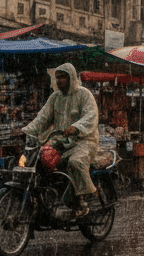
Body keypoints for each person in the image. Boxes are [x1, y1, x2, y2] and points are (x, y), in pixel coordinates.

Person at [22, 63, 99, 218]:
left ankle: (83, 199)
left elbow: (91, 115)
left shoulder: (84, 94)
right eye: (57, 77)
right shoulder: (55, 97)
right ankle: (47, 198)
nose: (59, 80)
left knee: (74, 162)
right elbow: (42, 118)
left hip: (84, 141)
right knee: (41, 160)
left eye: (63, 77)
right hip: (59, 141)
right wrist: (25, 131)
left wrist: (76, 127)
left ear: (71, 77)